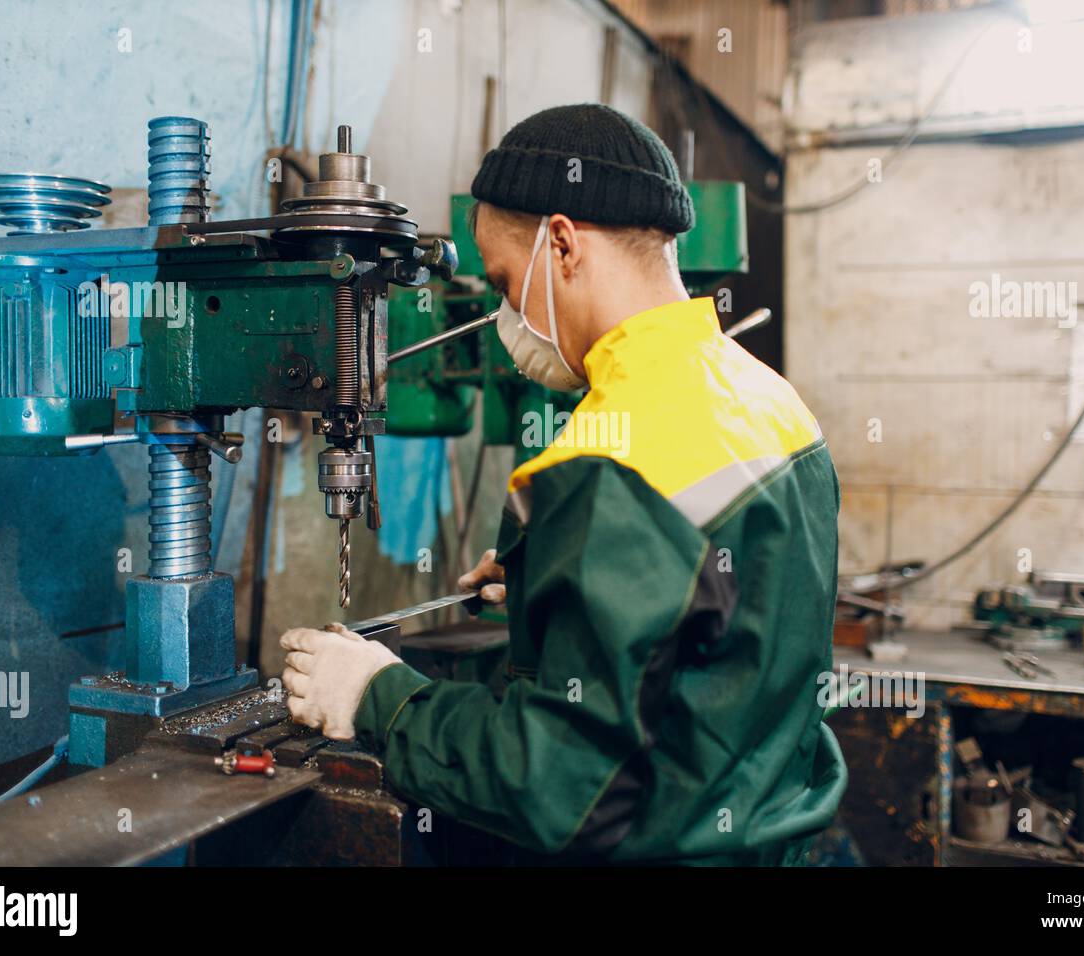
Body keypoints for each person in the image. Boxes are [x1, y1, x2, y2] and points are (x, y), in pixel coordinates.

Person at [280, 103, 846, 865]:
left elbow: (555, 782)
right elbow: (723, 627)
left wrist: (380, 695)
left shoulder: (611, 458)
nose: (507, 315)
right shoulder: (776, 403)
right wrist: (561, 572)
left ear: (563, 242)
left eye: (508, 283)